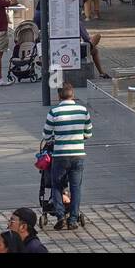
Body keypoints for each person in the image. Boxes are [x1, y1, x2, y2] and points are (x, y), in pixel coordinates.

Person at [42, 83, 93, 230]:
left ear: (59, 96)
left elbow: (46, 135)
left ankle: (60, 216)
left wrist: (55, 137)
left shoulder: (54, 112)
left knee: (57, 185)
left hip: (60, 155)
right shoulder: (83, 111)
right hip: (78, 154)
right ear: (73, 95)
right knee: (76, 187)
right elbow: (88, 133)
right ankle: (73, 219)